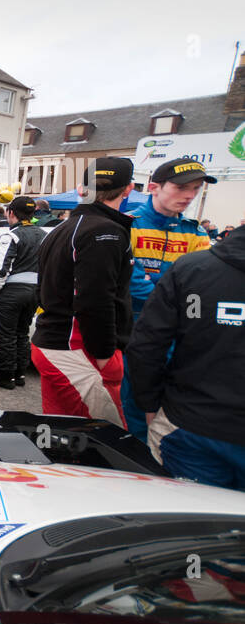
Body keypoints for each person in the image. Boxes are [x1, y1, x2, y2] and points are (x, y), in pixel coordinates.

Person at [127, 226, 245, 490]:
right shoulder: (192, 265)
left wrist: (148, 405)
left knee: (185, 525)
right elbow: (147, 345)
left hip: (189, 425)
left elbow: (146, 345)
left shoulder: (192, 267)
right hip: (189, 427)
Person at [30, 157, 134, 425]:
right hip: (77, 349)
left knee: (61, 434)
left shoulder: (61, 228)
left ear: (81, 189)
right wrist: (104, 356)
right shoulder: (104, 231)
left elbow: (42, 287)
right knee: (107, 441)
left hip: (55, 343)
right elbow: (96, 300)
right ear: (128, 189)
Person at [120, 157, 213, 438]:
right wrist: (171, 297)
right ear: (153, 187)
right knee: (133, 404)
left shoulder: (195, 232)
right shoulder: (128, 224)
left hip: (178, 332)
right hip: (134, 329)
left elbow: (200, 286)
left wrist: (161, 290)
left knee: (172, 406)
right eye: (182, 187)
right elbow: (131, 282)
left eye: (196, 188)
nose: (189, 195)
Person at [0, 196, 46, 388]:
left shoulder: (11, 235)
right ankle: (19, 375)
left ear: (11, 213)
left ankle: (6, 375)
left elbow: (1, 266)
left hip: (11, 291)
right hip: (34, 291)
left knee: (5, 335)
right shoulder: (45, 234)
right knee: (22, 333)